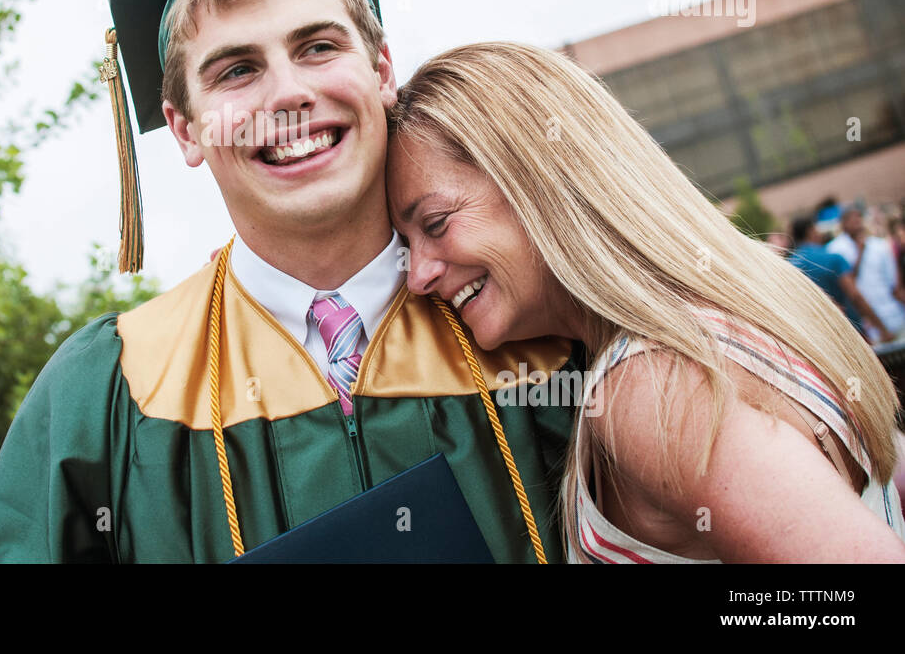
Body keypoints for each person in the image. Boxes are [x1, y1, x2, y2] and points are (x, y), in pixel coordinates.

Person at [0, 0, 578, 563]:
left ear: (382, 71)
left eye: (318, 46)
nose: (289, 93)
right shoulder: (112, 393)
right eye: (236, 71)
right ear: (184, 129)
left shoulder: (541, 314)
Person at [387, 41, 905, 563]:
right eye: (406, 246)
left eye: (435, 224)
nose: (419, 275)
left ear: (538, 180)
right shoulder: (751, 304)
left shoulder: (650, 383)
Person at [787, 215, 882, 338]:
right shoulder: (833, 258)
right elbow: (855, 295)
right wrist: (881, 328)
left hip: (815, 338)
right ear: (811, 231)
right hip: (849, 331)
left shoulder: (789, 266)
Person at [828, 208, 905, 343]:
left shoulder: (879, 245)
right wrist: (860, 253)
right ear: (844, 224)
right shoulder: (835, 250)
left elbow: (894, 284)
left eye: (858, 219)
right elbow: (848, 287)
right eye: (852, 220)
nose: (857, 223)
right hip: (865, 325)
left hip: (894, 315)